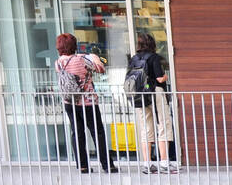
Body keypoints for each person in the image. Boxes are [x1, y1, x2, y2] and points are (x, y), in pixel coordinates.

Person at [54, 33, 116, 175]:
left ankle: (82, 166)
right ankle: (107, 165)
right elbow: (101, 69)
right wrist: (94, 58)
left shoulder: (58, 62)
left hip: (69, 101)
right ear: (74, 45)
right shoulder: (82, 60)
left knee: (77, 133)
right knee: (97, 132)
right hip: (88, 102)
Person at [127, 32, 177, 175]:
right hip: (156, 93)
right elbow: (160, 78)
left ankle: (147, 164)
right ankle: (164, 163)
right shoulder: (154, 58)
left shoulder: (134, 59)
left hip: (140, 96)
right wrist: (166, 76)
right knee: (163, 125)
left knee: (145, 128)